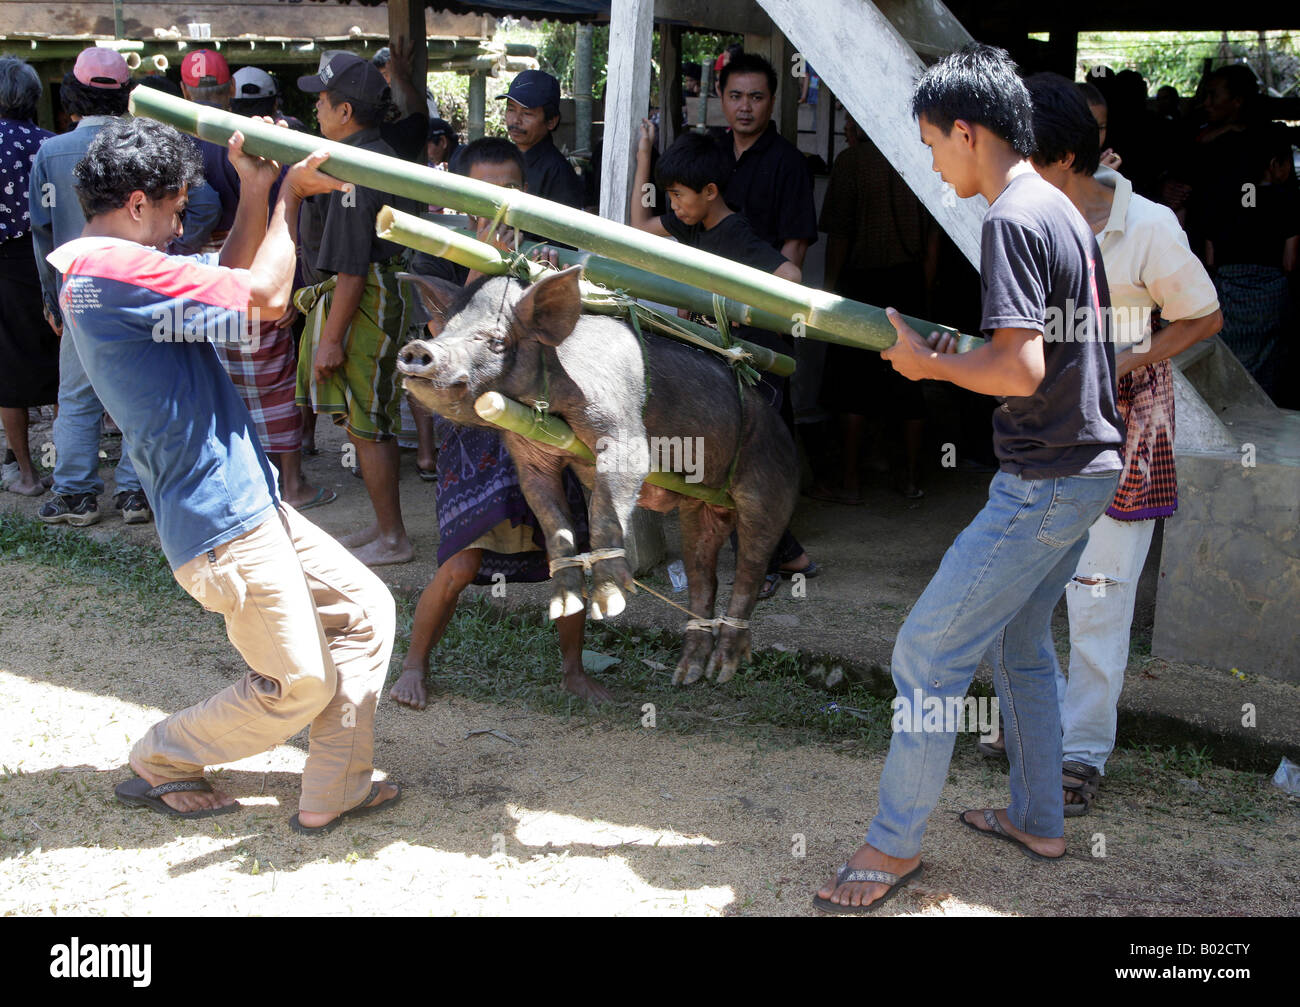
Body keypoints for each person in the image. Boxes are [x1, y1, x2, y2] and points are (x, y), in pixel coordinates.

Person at [815, 44, 1124, 913]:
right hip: (1082, 468)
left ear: (966, 130)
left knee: (926, 650)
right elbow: (1040, 352)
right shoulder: (1056, 207)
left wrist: (933, 371)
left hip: (1044, 481)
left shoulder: (1013, 218)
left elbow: (1021, 370)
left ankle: (892, 844)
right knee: (1019, 642)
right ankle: (1038, 817)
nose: (932, 162)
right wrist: (961, 350)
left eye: (931, 143)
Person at [53, 116, 400, 830]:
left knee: (366, 613)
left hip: (246, 503)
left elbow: (234, 287)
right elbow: (268, 300)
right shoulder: (116, 270)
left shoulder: (101, 271)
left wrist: (255, 187)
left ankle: (337, 783)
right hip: (222, 522)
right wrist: (290, 200)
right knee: (299, 683)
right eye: (176, 212)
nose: (179, 230)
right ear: (139, 202)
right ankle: (164, 753)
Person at [1026, 72, 1222, 814]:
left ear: (1077, 156)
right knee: (1030, 576)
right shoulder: (1031, 214)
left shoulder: (1148, 228)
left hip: (1124, 424)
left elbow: (1203, 318)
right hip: (1045, 416)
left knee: (1100, 592)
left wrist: (1128, 358)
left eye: (1032, 162)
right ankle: (1031, 724)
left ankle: (1079, 753)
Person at [392, 137, 608, 708]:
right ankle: (414, 664)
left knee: (566, 549)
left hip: (539, 423)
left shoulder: (547, 250)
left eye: (510, 190)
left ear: (527, 191)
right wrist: (474, 271)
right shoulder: (434, 251)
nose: (498, 204)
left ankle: (572, 670)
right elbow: (440, 352)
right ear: (459, 196)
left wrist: (553, 289)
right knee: (462, 558)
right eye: (483, 192)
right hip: (475, 429)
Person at [631, 126, 810, 599]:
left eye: (678, 195)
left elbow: (791, 276)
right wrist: (644, 155)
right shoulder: (690, 224)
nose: (673, 204)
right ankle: (790, 555)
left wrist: (730, 301)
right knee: (727, 473)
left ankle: (768, 567)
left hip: (754, 372)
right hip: (718, 373)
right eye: (667, 194)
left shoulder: (737, 236)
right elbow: (637, 232)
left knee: (736, 475)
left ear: (710, 192)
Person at [294, 52, 422, 565]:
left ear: (345, 111)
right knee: (364, 421)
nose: (317, 110)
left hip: (366, 296)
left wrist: (330, 340)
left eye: (322, 102)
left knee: (370, 420)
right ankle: (383, 526)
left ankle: (394, 537)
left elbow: (351, 269)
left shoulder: (356, 168)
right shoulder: (367, 154)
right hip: (363, 294)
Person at [29, 48, 154, 526]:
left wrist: (50, 296)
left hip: (78, 289)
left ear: (73, 94)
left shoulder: (51, 152)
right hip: (137, 283)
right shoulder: (146, 142)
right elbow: (195, 204)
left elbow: (42, 233)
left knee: (78, 395)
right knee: (137, 392)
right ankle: (135, 493)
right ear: (125, 93)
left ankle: (76, 494)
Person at [814, 120, 938, 502]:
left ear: (855, 124)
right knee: (911, 381)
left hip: (861, 284)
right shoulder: (919, 159)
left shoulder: (852, 161)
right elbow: (934, 234)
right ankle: (910, 479)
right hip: (909, 281)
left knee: (852, 383)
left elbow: (839, 234)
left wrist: (832, 291)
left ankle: (850, 481)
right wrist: (925, 287)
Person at [1204, 124, 1298, 398]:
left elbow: (1210, 260)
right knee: (1266, 370)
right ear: (1273, 164)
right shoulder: (1289, 200)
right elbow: (1290, 263)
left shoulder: (1221, 198)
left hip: (1228, 296)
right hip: (1270, 299)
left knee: (1229, 361)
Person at [0, 57, 55, 497]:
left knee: (8, 366)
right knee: (63, 359)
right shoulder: (51, 144)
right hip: (52, 257)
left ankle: (26, 473)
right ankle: (73, 464)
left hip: (3, 262)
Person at [499, 69, 584, 209]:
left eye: (527, 113)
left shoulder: (558, 173)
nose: (515, 120)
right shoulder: (505, 158)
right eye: (511, 109)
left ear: (551, 121)